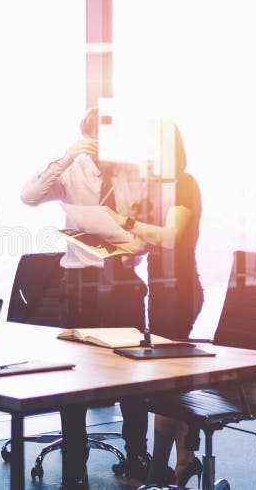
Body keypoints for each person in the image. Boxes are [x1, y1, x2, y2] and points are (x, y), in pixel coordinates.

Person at [20, 108, 150, 489]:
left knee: (132, 372)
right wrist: (66, 156)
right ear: (89, 136)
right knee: (74, 373)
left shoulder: (134, 172)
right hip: (79, 282)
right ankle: (75, 457)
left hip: (123, 280)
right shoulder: (72, 169)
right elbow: (29, 196)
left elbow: (145, 232)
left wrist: (132, 246)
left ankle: (137, 452)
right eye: (99, 136)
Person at [104, 122, 204, 487]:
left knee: (166, 384)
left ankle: (160, 471)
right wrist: (114, 247)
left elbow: (172, 237)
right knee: (172, 381)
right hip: (162, 292)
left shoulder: (184, 184)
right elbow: (144, 242)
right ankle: (184, 460)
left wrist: (127, 221)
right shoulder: (158, 189)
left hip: (181, 294)